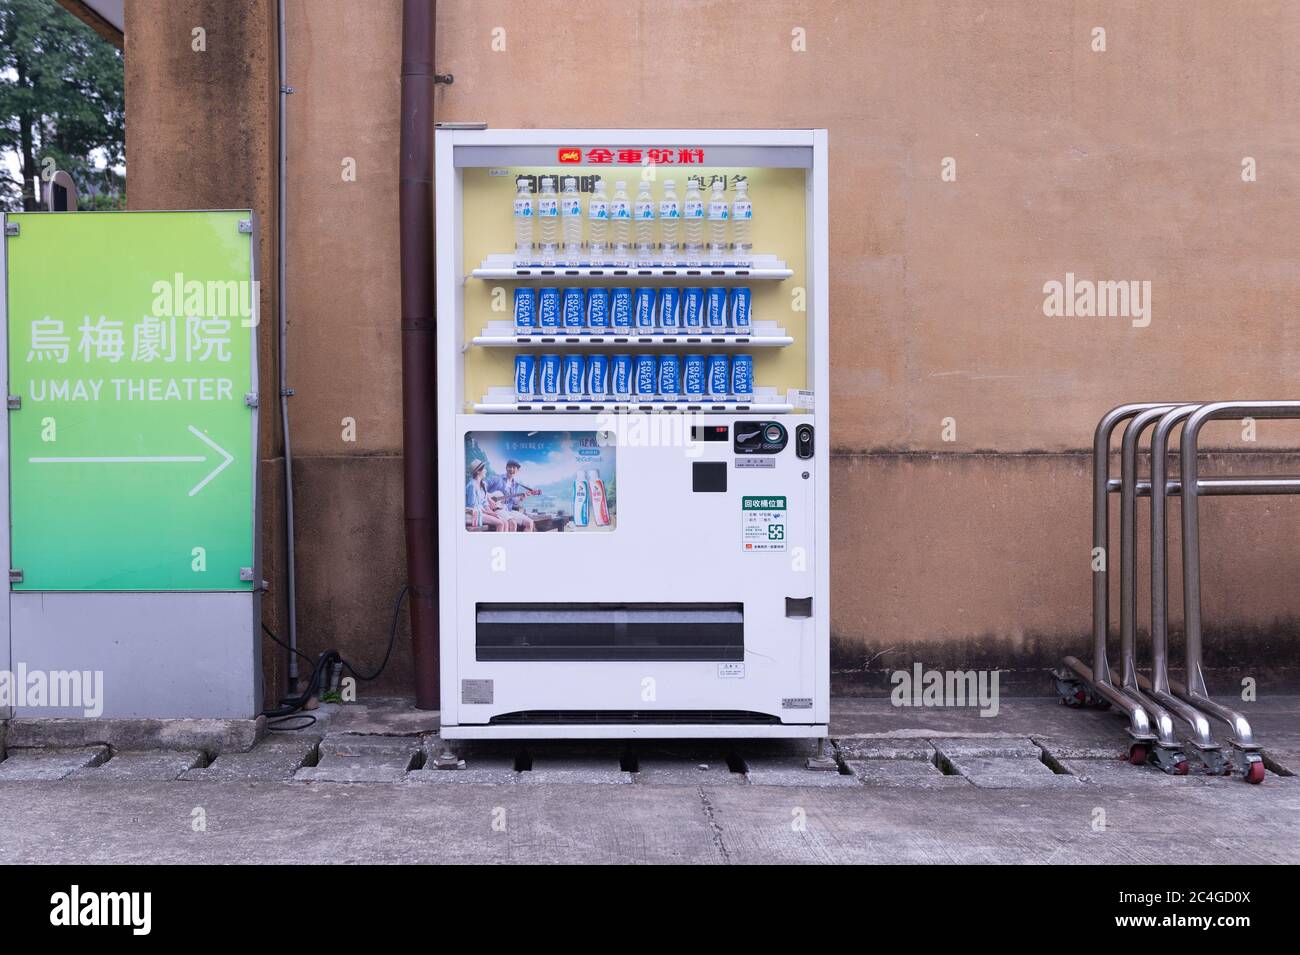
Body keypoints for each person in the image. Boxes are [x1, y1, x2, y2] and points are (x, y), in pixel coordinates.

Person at [486, 459, 537, 532]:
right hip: (496, 509)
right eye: (510, 467)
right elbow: (480, 487)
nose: (512, 469)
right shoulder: (497, 479)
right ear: (506, 468)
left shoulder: (516, 485)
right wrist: (489, 499)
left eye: (514, 468)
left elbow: (514, 502)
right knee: (512, 523)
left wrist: (521, 498)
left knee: (530, 523)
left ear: (517, 470)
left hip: (508, 510)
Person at [465, 459, 507, 531]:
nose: (485, 470)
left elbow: (485, 503)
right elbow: (472, 507)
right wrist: (489, 513)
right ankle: (499, 542)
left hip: (481, 512)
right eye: (484, 469)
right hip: (473, 514)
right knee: (500, 523)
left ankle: (505, 541)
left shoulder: (483, 484)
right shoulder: (472, 485)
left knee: (505, 522)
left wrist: (492, 512)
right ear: (478, 471)